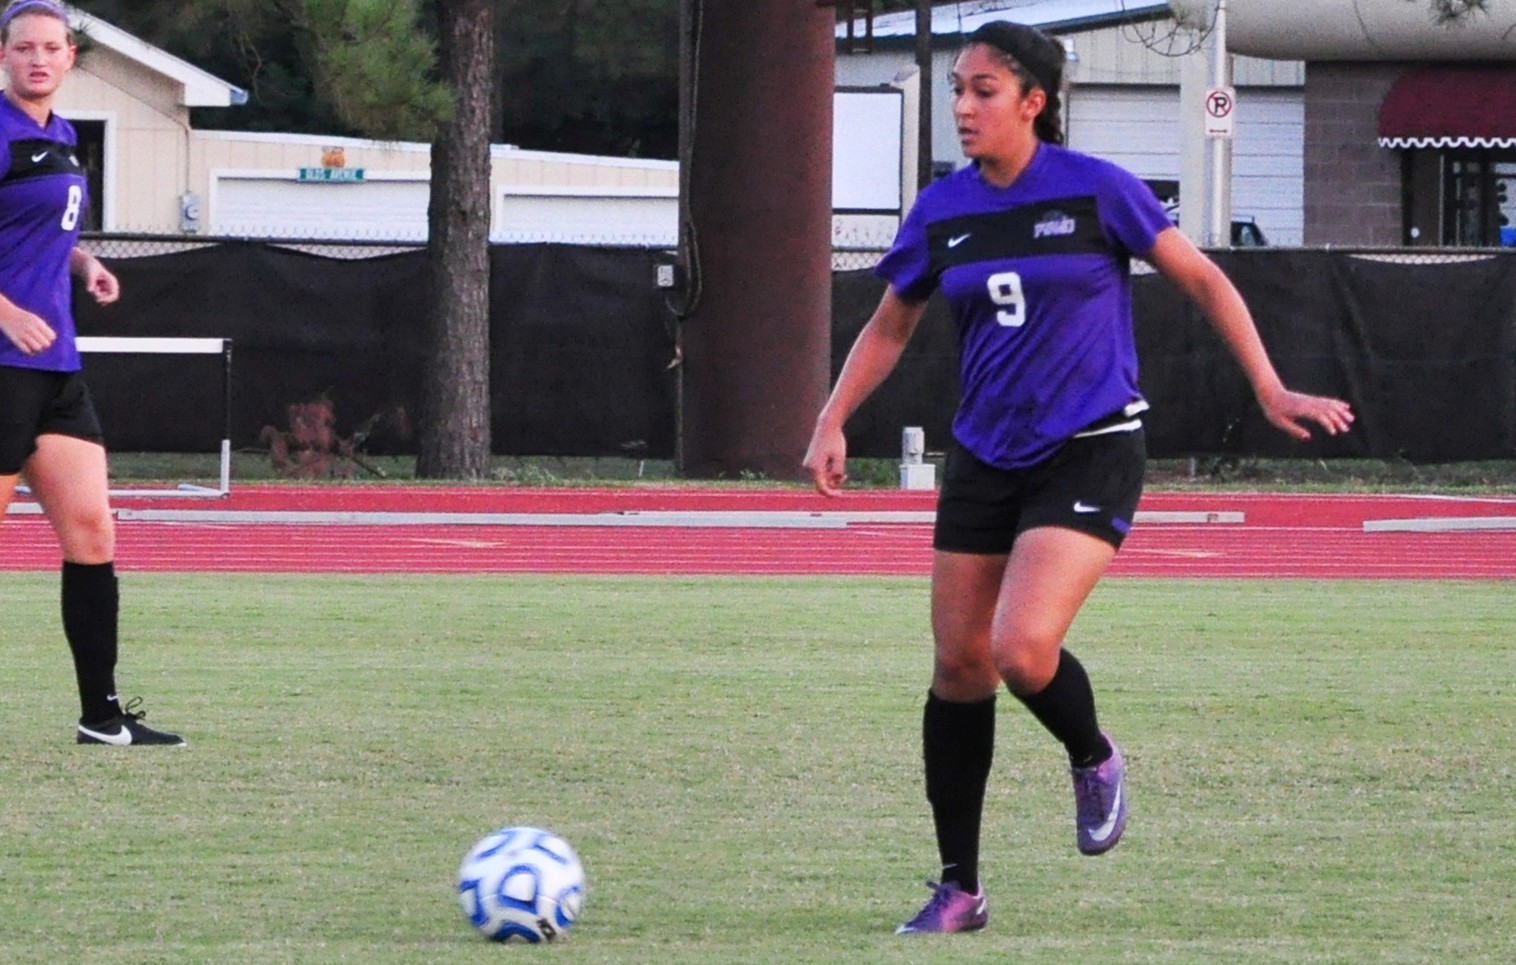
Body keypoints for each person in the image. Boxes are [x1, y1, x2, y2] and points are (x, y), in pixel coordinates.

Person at [802, 20, 1351, 935]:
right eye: (959, 89)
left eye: (984, 90)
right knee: (958, 665)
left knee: (1021, 648)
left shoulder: (1100, 190)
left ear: (1033, 101)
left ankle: (1092, 753)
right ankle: (960, 889)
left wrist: (1268, 383)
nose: (964, 106)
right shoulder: (943, 208)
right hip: (983, 452)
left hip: (1090, 443)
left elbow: (1205, 280)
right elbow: (893, 321)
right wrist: (832, 417)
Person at [0, 0, 183, 746]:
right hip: (3, 363)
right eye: (23, 48)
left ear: (70, 58)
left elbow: (38, 231)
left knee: (93, 536)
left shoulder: (64, 135)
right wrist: (4, 311)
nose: (38, 59)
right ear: (3, 57)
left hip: (56, 369)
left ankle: (101, 717)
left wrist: (83, 261)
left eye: (52, 47)